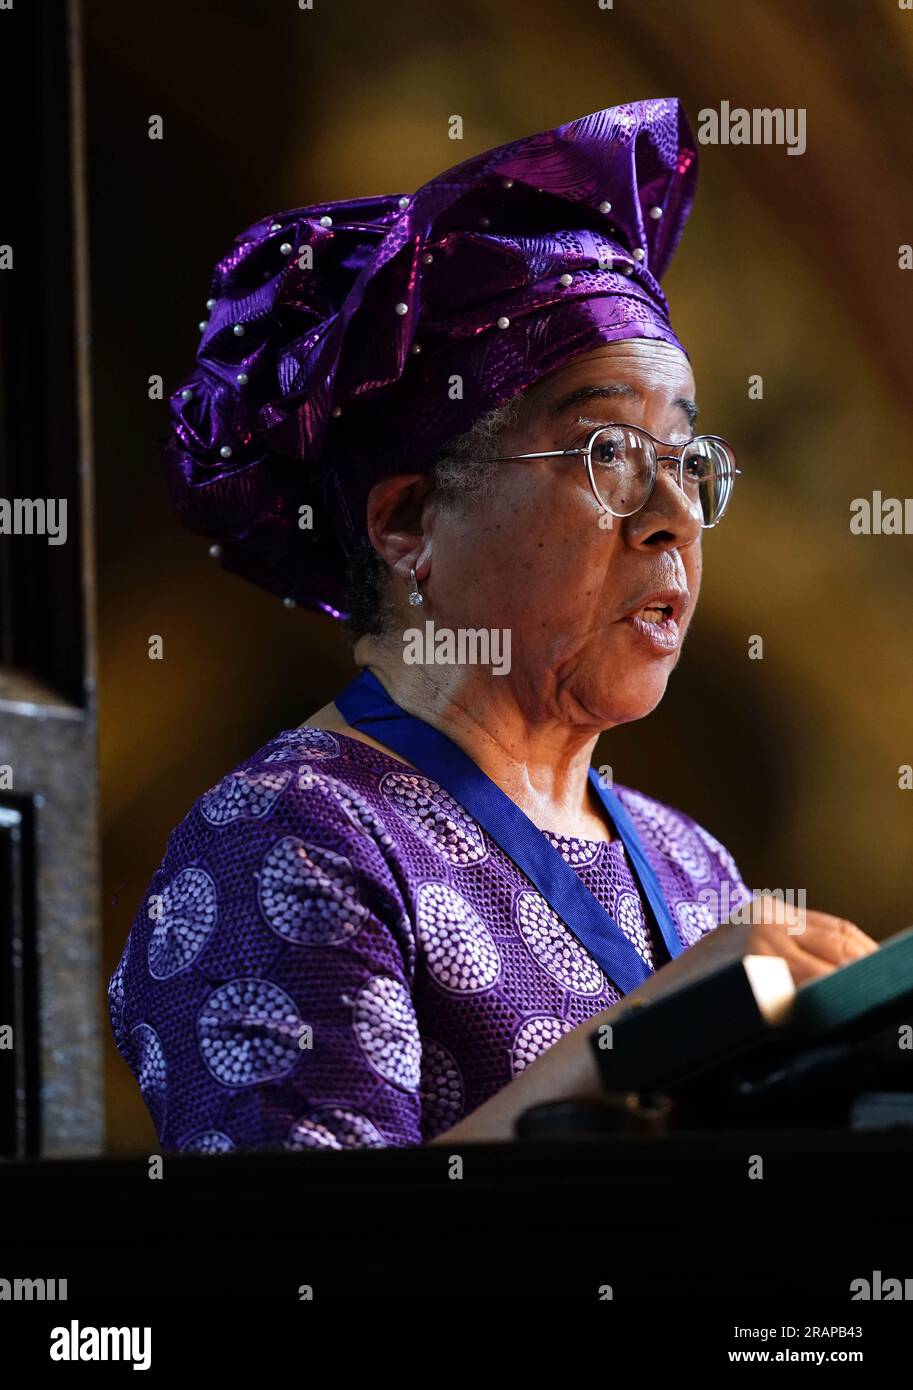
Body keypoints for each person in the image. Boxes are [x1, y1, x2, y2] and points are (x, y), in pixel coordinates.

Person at [109, 99, 876, 1153]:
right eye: (607, 453)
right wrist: (633, 1049)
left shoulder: (689, 862)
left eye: (690, 463)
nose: (673, 518)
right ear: (411, 520)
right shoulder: (288, 835)